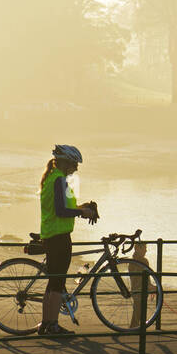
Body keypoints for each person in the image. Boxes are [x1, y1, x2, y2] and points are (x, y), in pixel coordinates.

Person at [36, 144, 99, 338]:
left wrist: (83, 207)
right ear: (65, 163)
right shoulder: (59, 181)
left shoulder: (52, 178)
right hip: (59, 237)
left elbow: (65, 206)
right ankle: (53, 325)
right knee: (57, 283)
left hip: (51, 234)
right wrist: (82, 212)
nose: (77, 168)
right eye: (74, 164)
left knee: (52, 283)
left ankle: (45, 324)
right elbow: (61, 211)